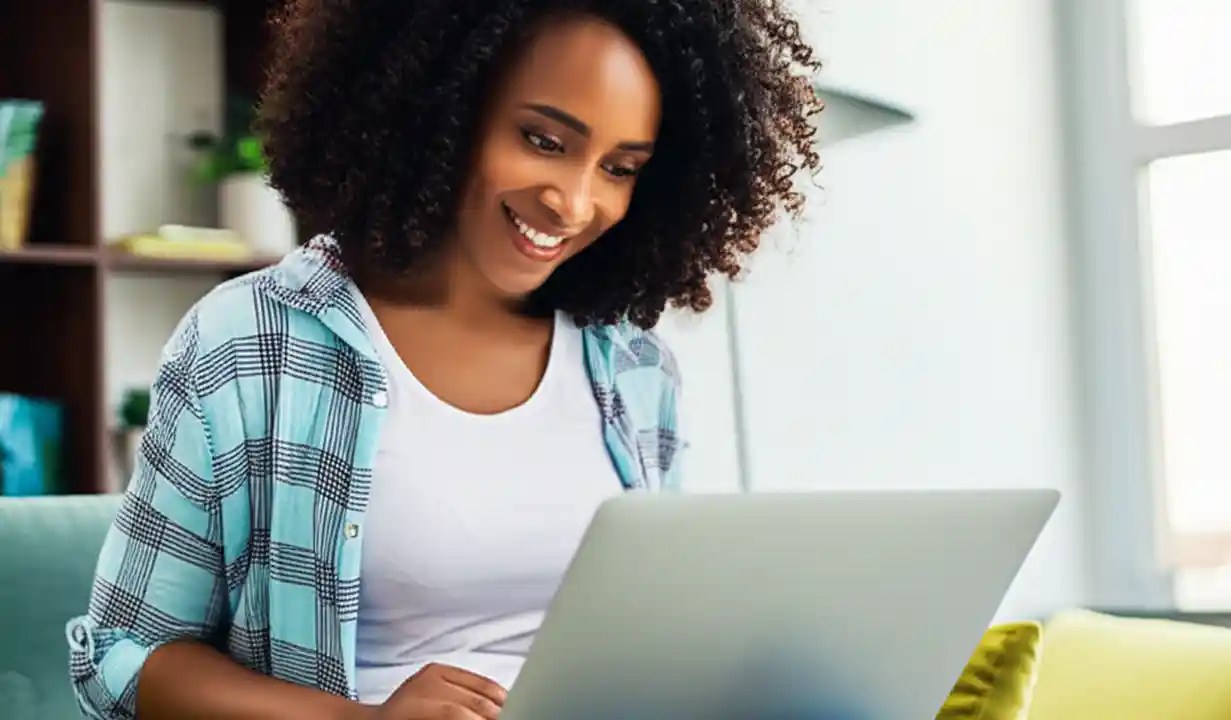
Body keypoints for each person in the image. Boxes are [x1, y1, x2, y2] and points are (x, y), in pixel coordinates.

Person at [68, 1, 821, 718]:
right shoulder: (252, 343)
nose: (573, 201)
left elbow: (660, 626)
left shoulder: (632, 363)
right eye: (544, 141)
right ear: (443, 110)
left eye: (619, 168)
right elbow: (122, 660)